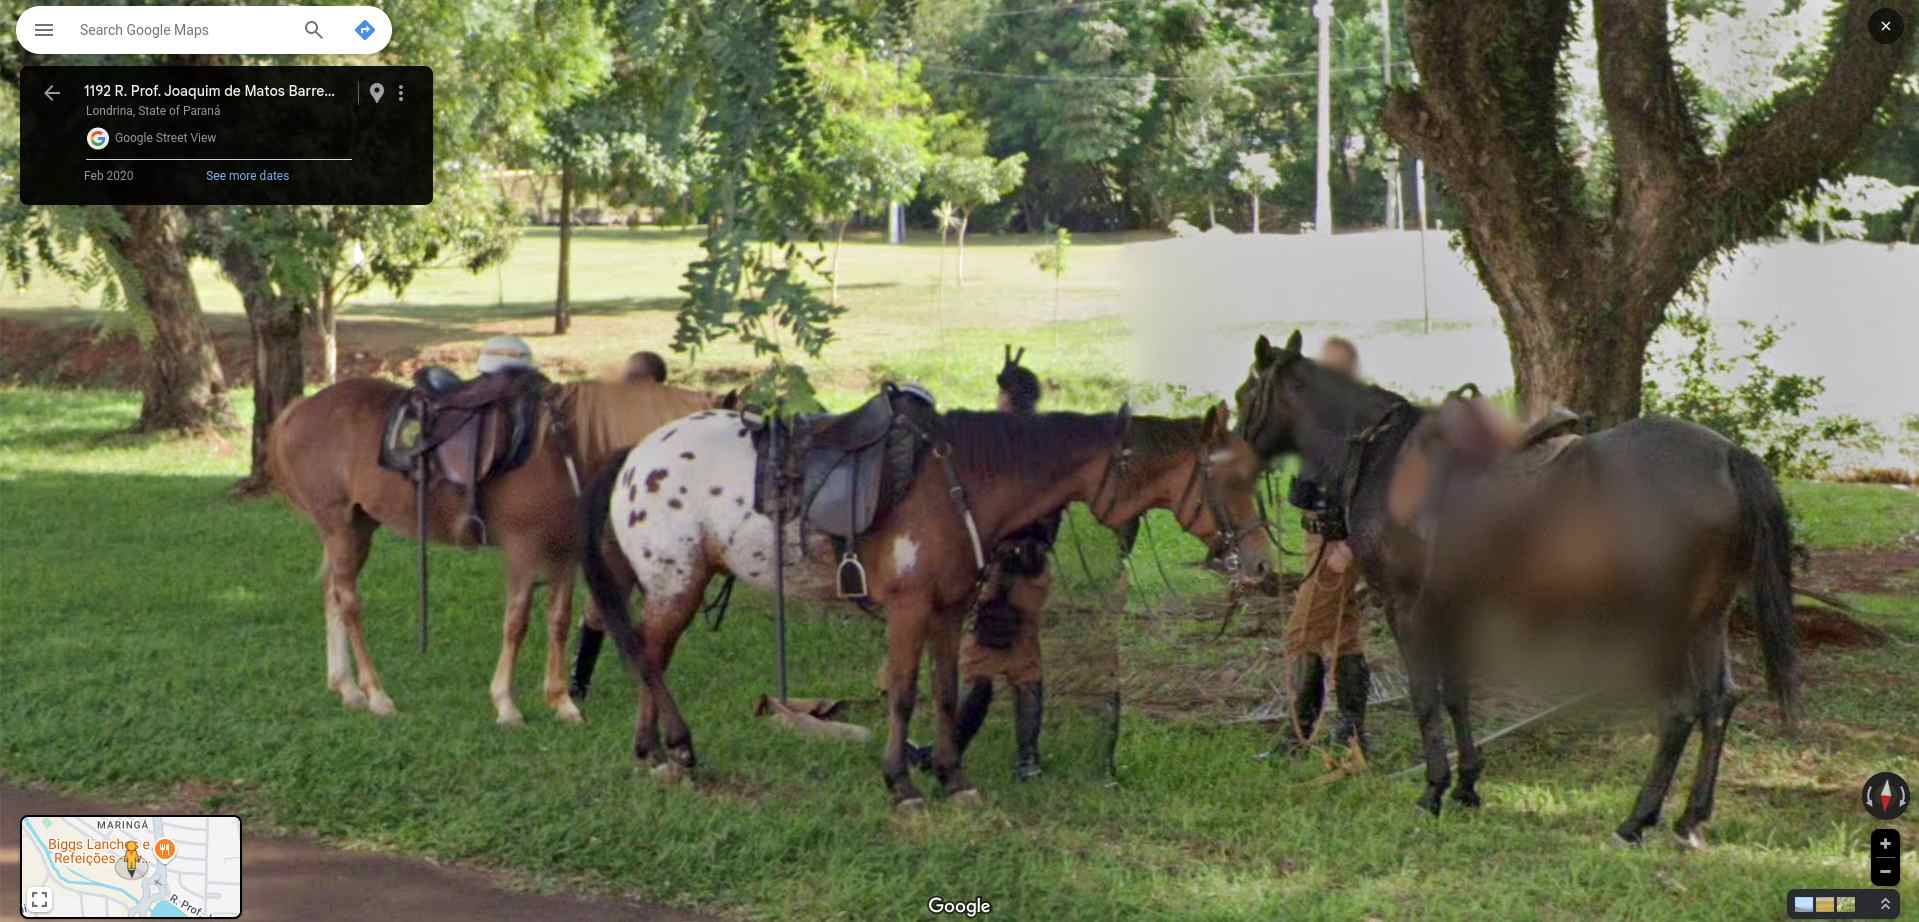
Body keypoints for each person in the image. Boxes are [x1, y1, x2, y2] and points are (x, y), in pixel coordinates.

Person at [909, 346, 1056, 780]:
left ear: (1009, 399)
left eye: (1001, 397)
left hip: (1012, 571)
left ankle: (947, 752)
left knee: (981, 665)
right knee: (1022, 659)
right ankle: (1024, 759)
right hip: (1031, 568)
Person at [1276, 336, 1372, 758]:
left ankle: (1299, 734)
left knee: (1302, 633)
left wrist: (1350, 546)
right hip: (1316, 534)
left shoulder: (1365, 423)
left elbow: (1378, 492)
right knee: (1344, 634)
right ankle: (1351, 732)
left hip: (1339, 543)